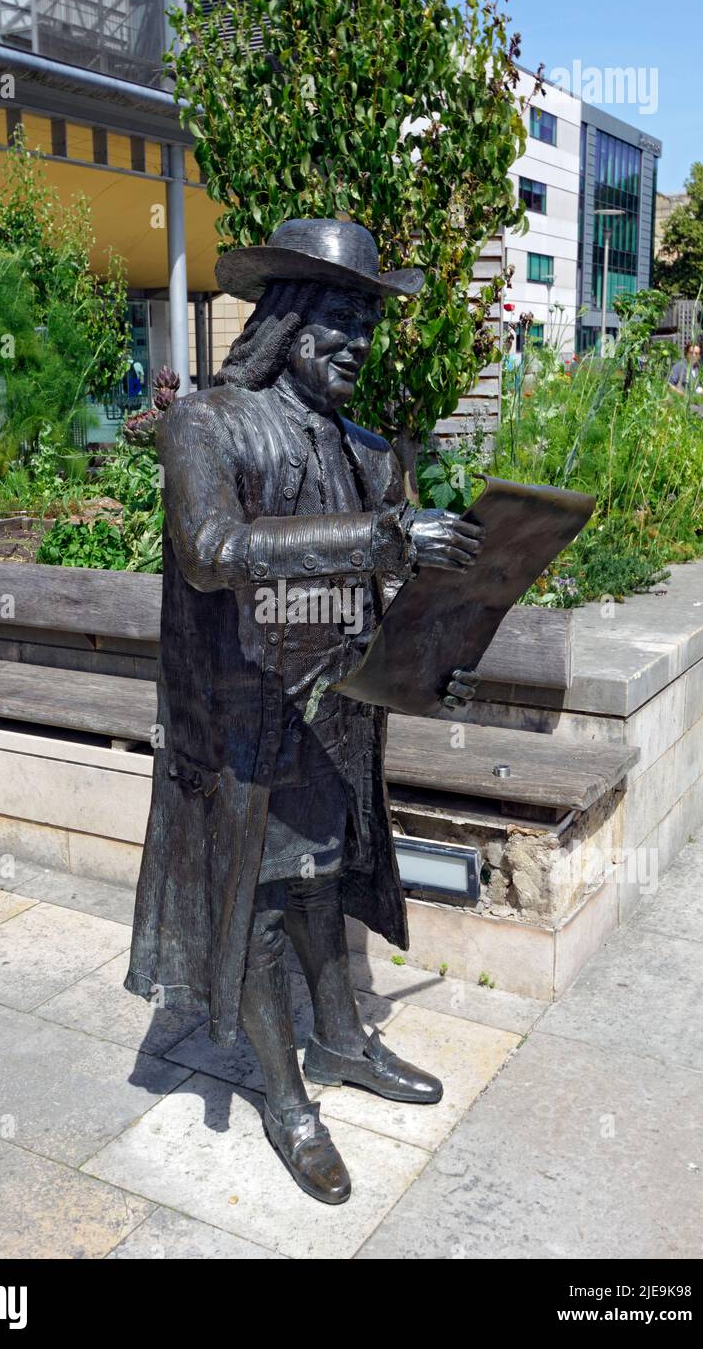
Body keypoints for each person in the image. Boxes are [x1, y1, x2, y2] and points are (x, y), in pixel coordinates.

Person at [124, 218, 484, 1204]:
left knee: (321, 883)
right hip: (239, 722)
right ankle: (285, 1101)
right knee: (260, 906)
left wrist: (427, 666)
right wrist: (378, 535)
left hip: (331, 717)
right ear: (282, 321)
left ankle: (341, 1043)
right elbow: (211, 549)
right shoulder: (208, 424)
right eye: (336, 319)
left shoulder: (359, 450)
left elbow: (377, 600)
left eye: (365, 324)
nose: (354, 344)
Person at [668, 341, 703, 407]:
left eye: (696, 354)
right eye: (691, 353)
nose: (693, 356)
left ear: (699, 356)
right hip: (677, 406)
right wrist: (683, 395)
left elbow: (697, 388)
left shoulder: (695, 368)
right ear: (686, 353)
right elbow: (669, 385)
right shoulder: (679, 366)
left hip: (689, 406)